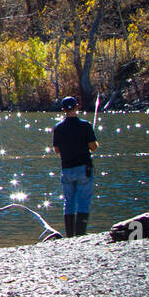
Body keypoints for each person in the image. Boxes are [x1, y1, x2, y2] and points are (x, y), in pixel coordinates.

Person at [52, 96, 98, 236]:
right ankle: (80, 233)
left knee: (69, 202)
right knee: (83, 201)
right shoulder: (85, 125)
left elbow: (56, 149)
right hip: (84, 169)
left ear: (63, 110)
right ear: (77, 107)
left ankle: (70, 235)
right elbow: (93, 147)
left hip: (66, 169)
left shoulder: (58, 128)